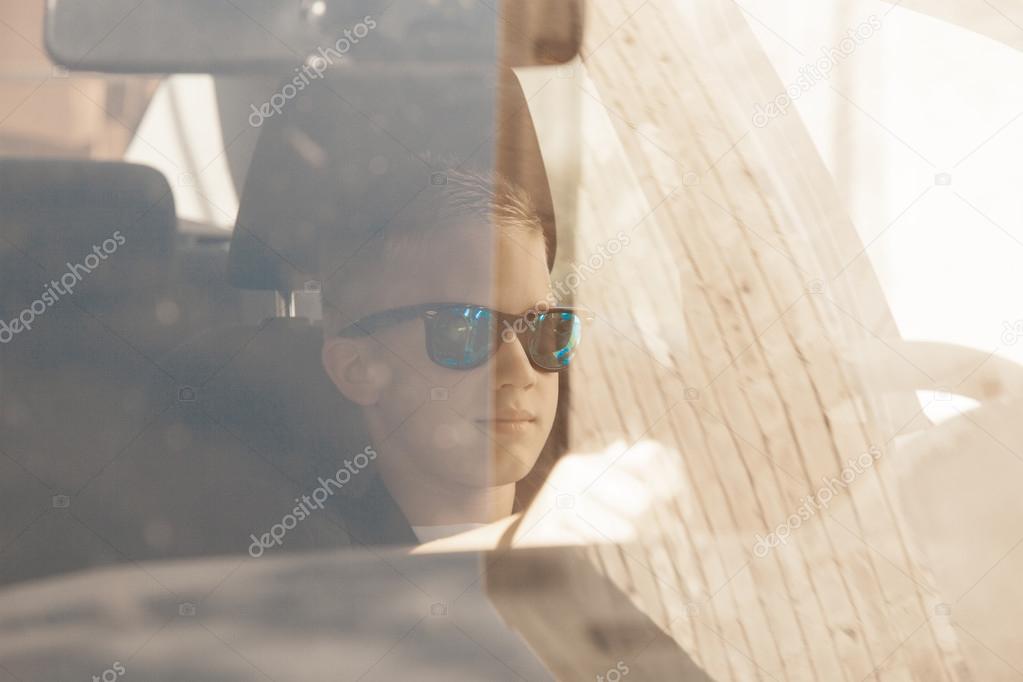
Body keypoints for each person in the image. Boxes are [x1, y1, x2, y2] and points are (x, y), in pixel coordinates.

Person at [319, 168, 585, 543]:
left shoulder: (600, 538)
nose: (520, 371)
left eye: (544, 328)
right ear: (357, 369)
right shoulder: (299, 571)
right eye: (464, 329)